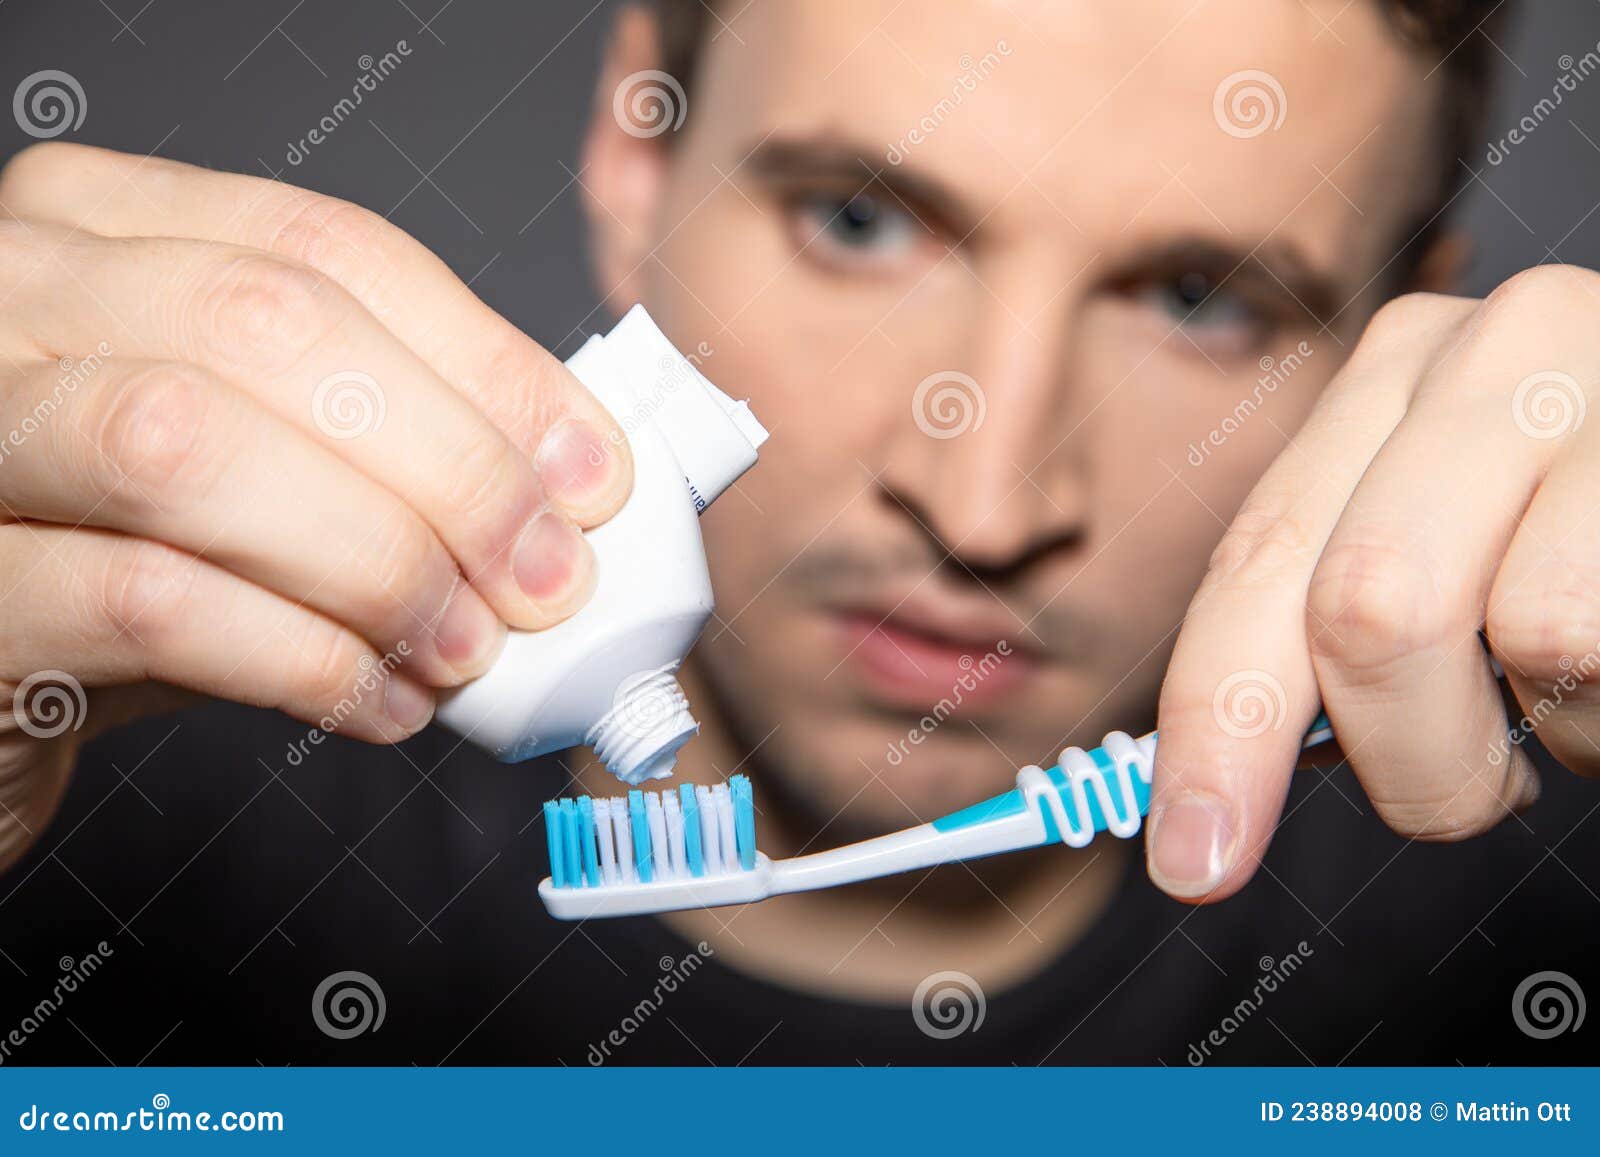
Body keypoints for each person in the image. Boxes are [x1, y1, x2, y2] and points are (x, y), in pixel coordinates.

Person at [0, 0, 1595, 1064]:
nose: (985, 507)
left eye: (1200, 302)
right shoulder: (100, 783)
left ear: (1400, 328)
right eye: (862, 220)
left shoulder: (1543, 897)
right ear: (640, 158)